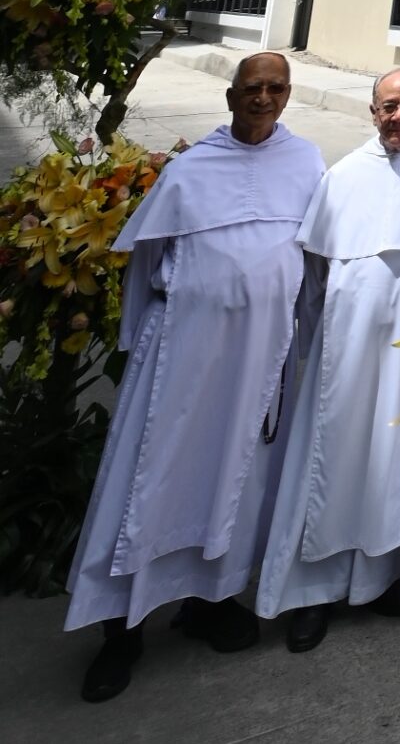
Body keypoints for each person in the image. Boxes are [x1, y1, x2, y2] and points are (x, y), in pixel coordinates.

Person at [66, 53, 325, 702]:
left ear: (288, 95)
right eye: (252, 88)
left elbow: (314, 261)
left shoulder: (307, 164)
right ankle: (120, 629)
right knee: (146, 486)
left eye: (275, 88)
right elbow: (145, 263)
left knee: (232, 483)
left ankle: (206, 601)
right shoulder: (189, 171)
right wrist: (138, 345)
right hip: (179, 365)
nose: (263, 99)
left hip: (257, 365)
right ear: (231, 94)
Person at [257, 68, 400, 649]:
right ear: (371, 110)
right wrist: (311, 351)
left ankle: (380, 580)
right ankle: (314, 592)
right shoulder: (343, 177)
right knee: (330, 460)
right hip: (344, 348)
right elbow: (311, 279)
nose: (398, 117)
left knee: (394, 463)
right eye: (388, 106)